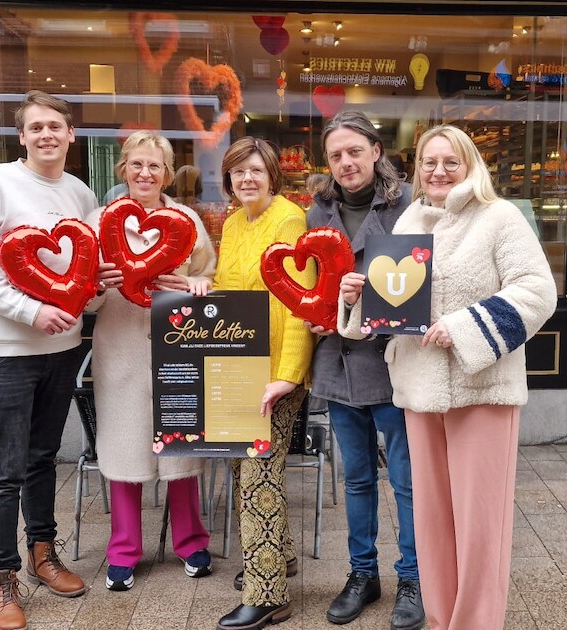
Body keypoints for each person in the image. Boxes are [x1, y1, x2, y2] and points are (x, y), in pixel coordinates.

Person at [337, 124, 557, 630]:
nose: (438, 172)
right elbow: (395, 302)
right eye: (429, 162)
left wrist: (464, 328)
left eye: (450, 162)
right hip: (418, 390)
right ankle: (440, 619)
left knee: (481, 525)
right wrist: (357, 299)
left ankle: (476, 624)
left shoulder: (500, 217)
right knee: (432, 520)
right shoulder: (410, 221)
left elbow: (537, 291)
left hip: (482, 391)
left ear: (471, 165)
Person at [0, 90, 121, 630]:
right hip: (7, 353)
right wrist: (28, 311)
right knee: (5, 470)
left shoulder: (78, 191)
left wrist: (95, 293)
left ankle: (44, 556)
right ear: (21, 136)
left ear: (72, 136)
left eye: (56, 127)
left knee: (45, 457)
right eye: (36, 127)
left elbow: (78, 280)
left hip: (63, 349)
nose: (47, 135)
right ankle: (3, 579)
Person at [306, 111, 424, 630]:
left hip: (392, 363)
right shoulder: (316, 212)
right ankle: (362, 574)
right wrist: (319, 312)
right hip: (336, 362)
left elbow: (423, 281)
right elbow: (308, 287)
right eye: (336, 155)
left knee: (405, 481)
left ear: (376, 152)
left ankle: (413, 578)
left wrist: (368, 296)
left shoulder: (409, 207)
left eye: (355, 151)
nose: (346, 163)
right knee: (355, 479)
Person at [85, 131, 218, 592]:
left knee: (181, 443)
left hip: (177, 344)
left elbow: (206, 272)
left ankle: (191, 541)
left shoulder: (185, 219)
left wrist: (200, 285)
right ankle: (123, 549)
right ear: (124, 169)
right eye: (137, 164)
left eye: (155, 166)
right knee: (124, 446)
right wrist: (99, 286)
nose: (145, 173)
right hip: (119, 347)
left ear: (167, 172)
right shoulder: (99, 220)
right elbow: (82, 296)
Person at [214, 137, 316, 630]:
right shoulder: (233, 223)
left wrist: (286, 376)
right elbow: (226, 290)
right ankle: (280, 558)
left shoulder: (289, 219)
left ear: (273, 174)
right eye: (238, 173)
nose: (247, 179)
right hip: (239, 364)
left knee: (258, 475)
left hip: (275, 369)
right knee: (245, 468)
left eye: (255, 170)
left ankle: (268, 593)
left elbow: (301, 300)